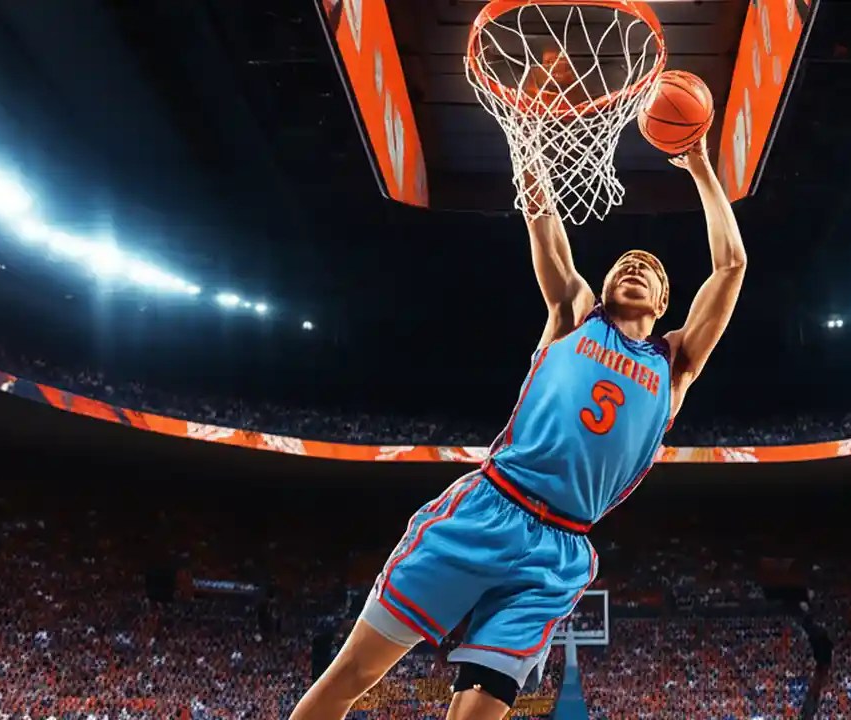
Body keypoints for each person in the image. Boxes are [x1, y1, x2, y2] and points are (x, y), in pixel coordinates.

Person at [289, 130, 745, 720]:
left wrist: (701, 166)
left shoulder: (674, 364)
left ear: (663, 305)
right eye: (625, 263)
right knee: (353, 672)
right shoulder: (575, 315)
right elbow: (542, 220)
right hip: (488, 507)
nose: (634, 266)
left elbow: (731, 265)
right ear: (602, 289)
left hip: (557, 554)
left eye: (650, 270)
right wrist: (526, 131)